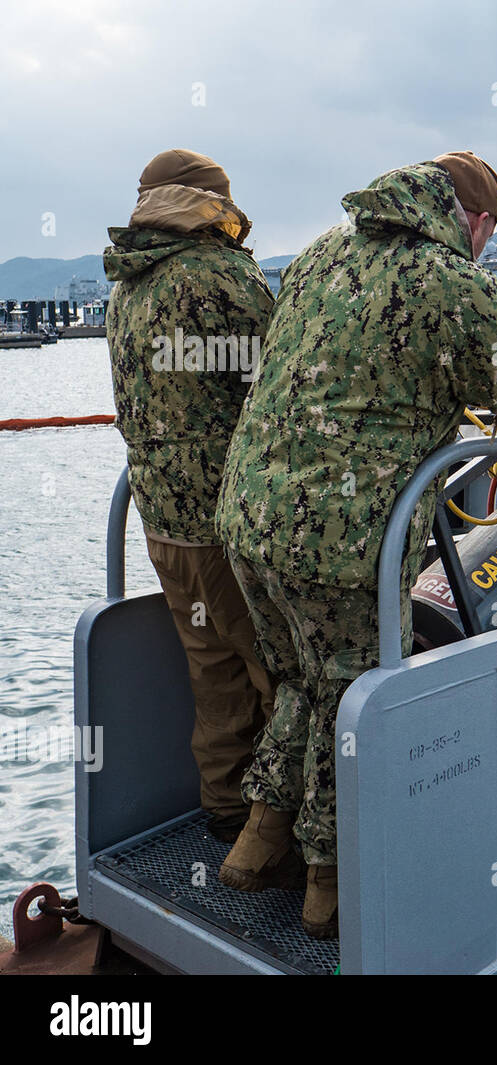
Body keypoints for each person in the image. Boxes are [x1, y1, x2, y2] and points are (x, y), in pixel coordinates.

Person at [214, 152, 497, 938]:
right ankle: (331, 885)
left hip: (249, 516)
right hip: (342, 539)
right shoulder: (451, 282)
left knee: (298, 676)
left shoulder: (326, 248)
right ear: (477, 219)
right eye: (492, 233)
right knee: (351, 697)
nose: (490, 248)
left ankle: (255, 846)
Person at [103, 149, 276, 843]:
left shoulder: (126, 287)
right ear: (214, 207)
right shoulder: (220, 277)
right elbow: (283, 384)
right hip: (230, 521)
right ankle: (282, 834)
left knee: (213, 670)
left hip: (161, 520)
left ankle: (226, 805)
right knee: (279, 671)